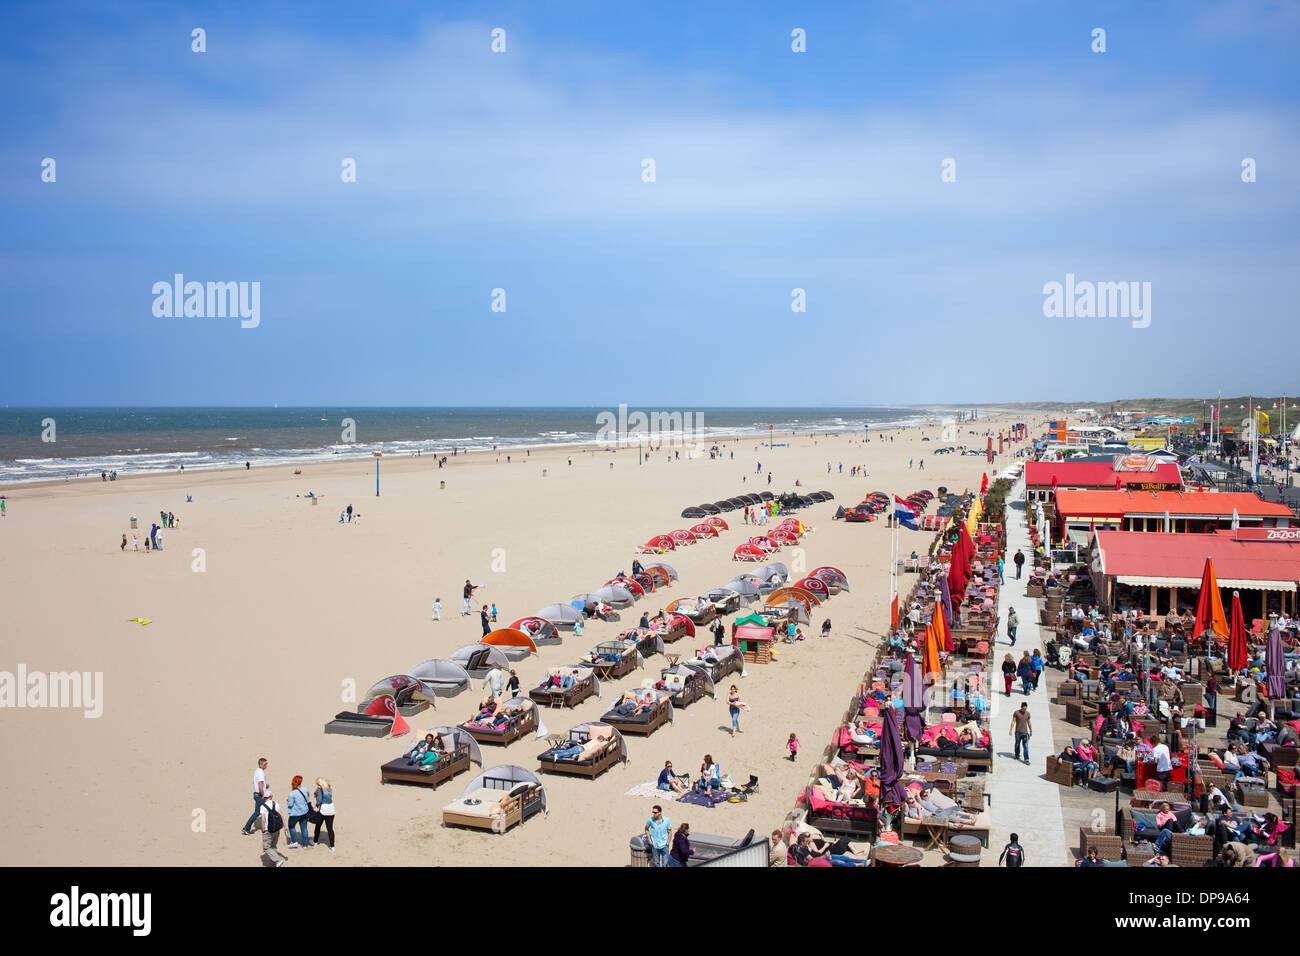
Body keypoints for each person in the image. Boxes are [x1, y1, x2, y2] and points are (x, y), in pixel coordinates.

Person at [259, 788, 287, 867]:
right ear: (271, 796)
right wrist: (285, 826)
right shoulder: (276, 804)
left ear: (264, 797)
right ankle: (274, 862)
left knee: (266, 847)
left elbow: (263, 819)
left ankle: (278, 859)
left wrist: (263, 829)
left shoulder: (263, 806)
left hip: (268, 829)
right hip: (277, 828)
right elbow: (281, 815)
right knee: (273, 846)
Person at [285, 775, 314, 849]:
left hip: (295, 813)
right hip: (304, 812)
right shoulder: (305, 789)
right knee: (304, 828)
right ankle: (305, 845)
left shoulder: (292, 793)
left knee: (291, 826)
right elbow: (308, 798)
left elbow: (290, 804)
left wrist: (287, 801)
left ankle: (294, 842)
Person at [242, 757, 269, 835]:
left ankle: (246, 828)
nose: (266, 765)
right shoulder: (260, 772)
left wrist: (265, 786)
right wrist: (263, 795)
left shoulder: (257, 771)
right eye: (265, 764)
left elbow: (255, 783)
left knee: (257, 812)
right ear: (261, 764)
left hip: (257, 794)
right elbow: (260, 784)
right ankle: (267, 828)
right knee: (267, 810)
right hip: (260, 795)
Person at [312, 777, 336, 851]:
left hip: (323, 810)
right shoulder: (329, 788)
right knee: (330, 828)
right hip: (331, 809)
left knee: (318, 826)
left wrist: (315, 805)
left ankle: (315, 841)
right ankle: (332, 846)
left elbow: (319, 800)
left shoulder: (320, 790)